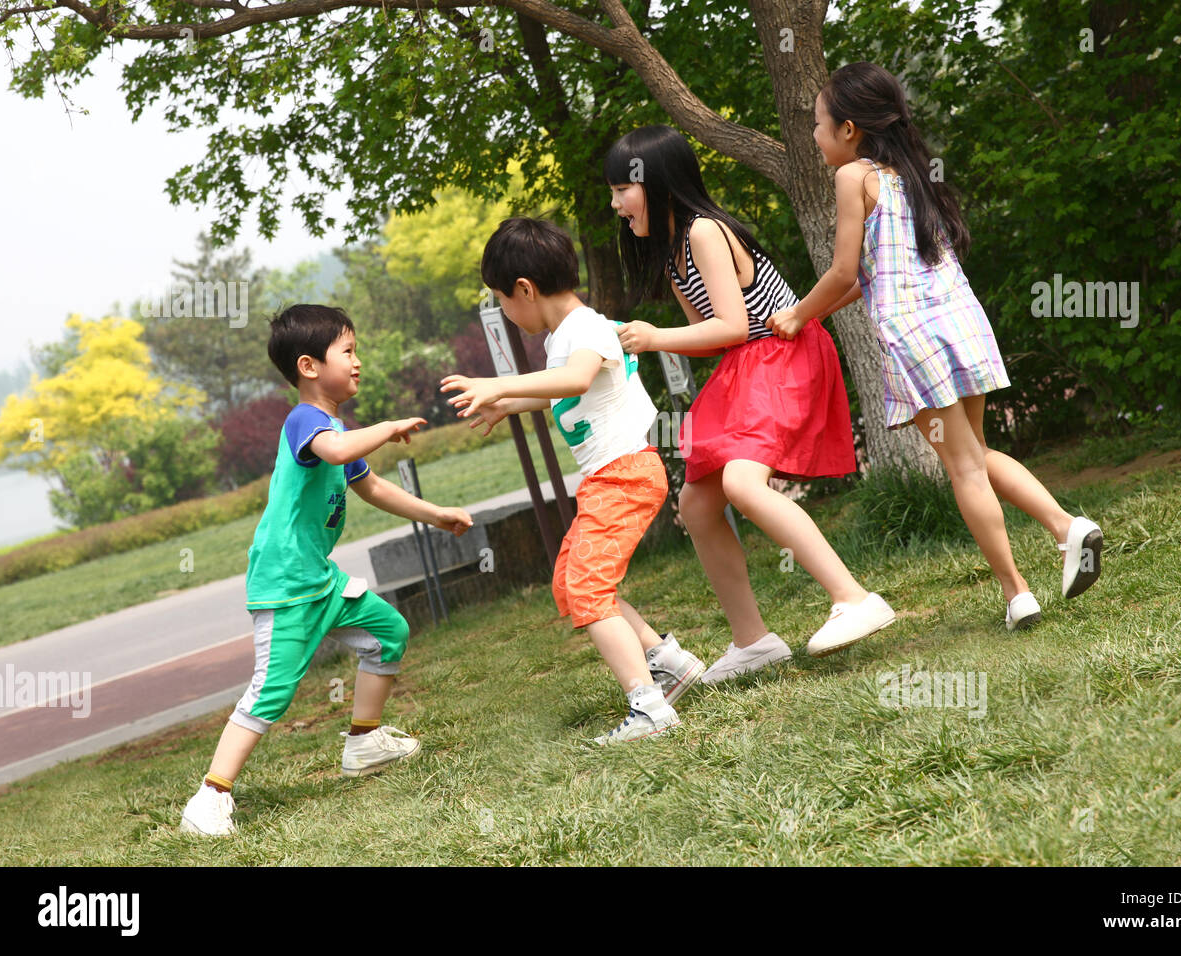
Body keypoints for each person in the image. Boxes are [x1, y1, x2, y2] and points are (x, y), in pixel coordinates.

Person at [769, 62, 1103, 630]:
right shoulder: (911, 172)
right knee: (976, 453)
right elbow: (866, 279)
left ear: (850, 129)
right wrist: (810, 314)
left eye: (820, 124)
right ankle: (1064, 532)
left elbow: (843, 269)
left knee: (965, 469)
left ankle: (1022, 586)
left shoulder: (854, 177)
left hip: (915, 338)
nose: (815, 136)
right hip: (961, 322)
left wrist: (797, 312)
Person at [605, 124, 897, 678]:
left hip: (782, 356)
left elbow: (735, 326)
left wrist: (653, 336)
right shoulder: (673, 255)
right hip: (746, 366)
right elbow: (714, 337)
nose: (617, 204)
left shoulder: (704, 233)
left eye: (624, 189)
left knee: (741, 484)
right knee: (696, 505)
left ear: (659, 182)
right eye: (614, 192)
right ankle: (753, 641)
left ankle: (854, 598)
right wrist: (643, 341)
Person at [180, 304, 474, 837]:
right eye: (349, 351)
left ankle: (363, 744)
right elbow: (337, 450)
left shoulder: (335, 426)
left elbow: (373, 487)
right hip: (286, 586)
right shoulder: (307, 422)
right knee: (271, 690)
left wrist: (436, 515)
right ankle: (209, 798)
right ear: (309, 366)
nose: (358, 362)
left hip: (321, 578)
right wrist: (385, 427)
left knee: (389, 634)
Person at [441, 217, 705, 744]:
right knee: (574, 583)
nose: (507, 314)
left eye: (502, 301)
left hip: (624, 476)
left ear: (525, 289)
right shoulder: (566, 336)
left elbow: (577, 378)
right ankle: (667, 662)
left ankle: (649, 705)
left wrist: (495, 385)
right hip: (612, 478)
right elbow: (564, 391)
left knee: (589, 588)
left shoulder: (585, 328)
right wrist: (509, 405)